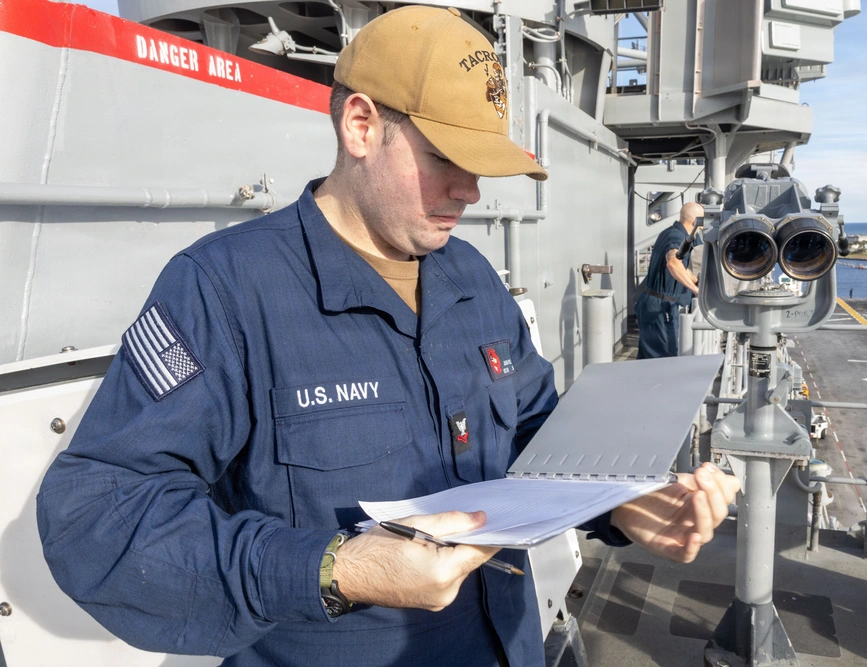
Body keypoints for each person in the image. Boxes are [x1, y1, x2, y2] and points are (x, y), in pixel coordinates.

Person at [36, 7, 740, 667]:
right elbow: (95, 514)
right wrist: (337, 568)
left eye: (482, 164)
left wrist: (624, 500)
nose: (471, 191)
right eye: (446, 159)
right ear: (362, 126)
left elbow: (535, 430)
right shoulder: (225, 290)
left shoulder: (469, 274)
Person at [636, 201, 704, 358]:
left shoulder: (676, 233)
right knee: (662, 359)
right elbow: (673, 262)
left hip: (660, 305)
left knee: (651, 358)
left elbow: (682, 266)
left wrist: (693, 280)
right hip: (661, 308)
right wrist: (697, 291)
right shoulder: (676, 236)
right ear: (696, 222)